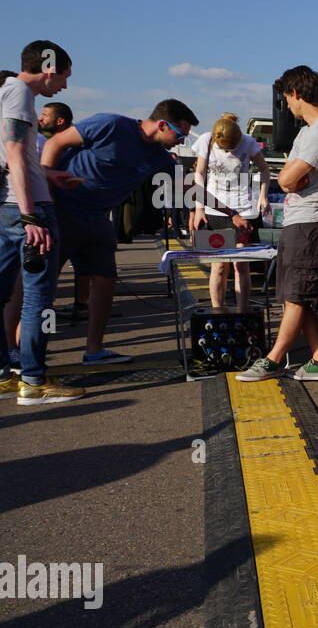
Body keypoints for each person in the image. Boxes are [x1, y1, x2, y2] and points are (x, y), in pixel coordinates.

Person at [41, 99, 252, 364]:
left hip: (97, 217)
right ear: (162, 124)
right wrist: (45, 185)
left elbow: (190, 188)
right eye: (180, 134)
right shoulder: (111, 124)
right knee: (43, 288)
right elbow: (54, 142)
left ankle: (93, 350)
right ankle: (28, 355)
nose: (181, 141)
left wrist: (231, 214)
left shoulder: (158, 158)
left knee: (106, 281)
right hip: (62, 210)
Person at [237, 66, 318, 382]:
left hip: (311, 219)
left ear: (296, 93)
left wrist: (290, 180)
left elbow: (286, 177)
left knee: (297, 293)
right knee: (295, 293)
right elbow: (288, 178)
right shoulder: (308, 132)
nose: (287, 105)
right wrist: (290, 180)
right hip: (299, 219)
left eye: (287, 98)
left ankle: (273, 358)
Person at [0, 40, 84, 404]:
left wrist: (48, 176)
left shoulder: (4, 91)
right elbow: (15, 153)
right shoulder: (19, 92)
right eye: (64, 76)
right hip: (27, 210)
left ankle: (5, 374)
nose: (63, 86)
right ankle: (33, 380)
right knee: (38, 297)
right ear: (49, 69)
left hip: (4, 208)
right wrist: (30, 213)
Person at [190, 113, 270, 311]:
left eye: (232, 148)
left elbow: (264, 170)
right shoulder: (206, 140)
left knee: (241, 264)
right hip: (215, 210)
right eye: (224, 148)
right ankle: (218, 310)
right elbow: (199, 173)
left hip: (243, 209)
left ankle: (242, 311)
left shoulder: (248, 143)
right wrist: (199, 208)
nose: (228, 152)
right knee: (218, 266)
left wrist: (263, 196)